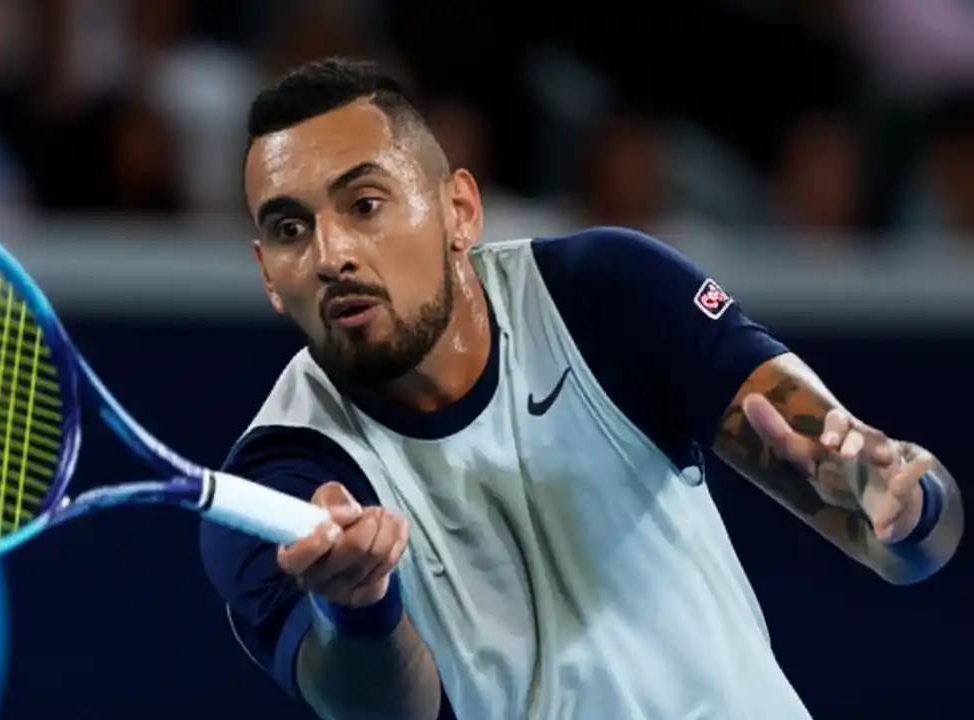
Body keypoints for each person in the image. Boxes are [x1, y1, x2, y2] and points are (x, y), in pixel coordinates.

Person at [197, 57, 964, 720]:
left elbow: (907, 541)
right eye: (291, 230)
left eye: (365, 205)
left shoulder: (604, 294)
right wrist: (357, 609)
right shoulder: (283, 477)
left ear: (458, 210)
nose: (331, 255)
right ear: (268, 274)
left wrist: (903, 495)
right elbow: (380, 708)